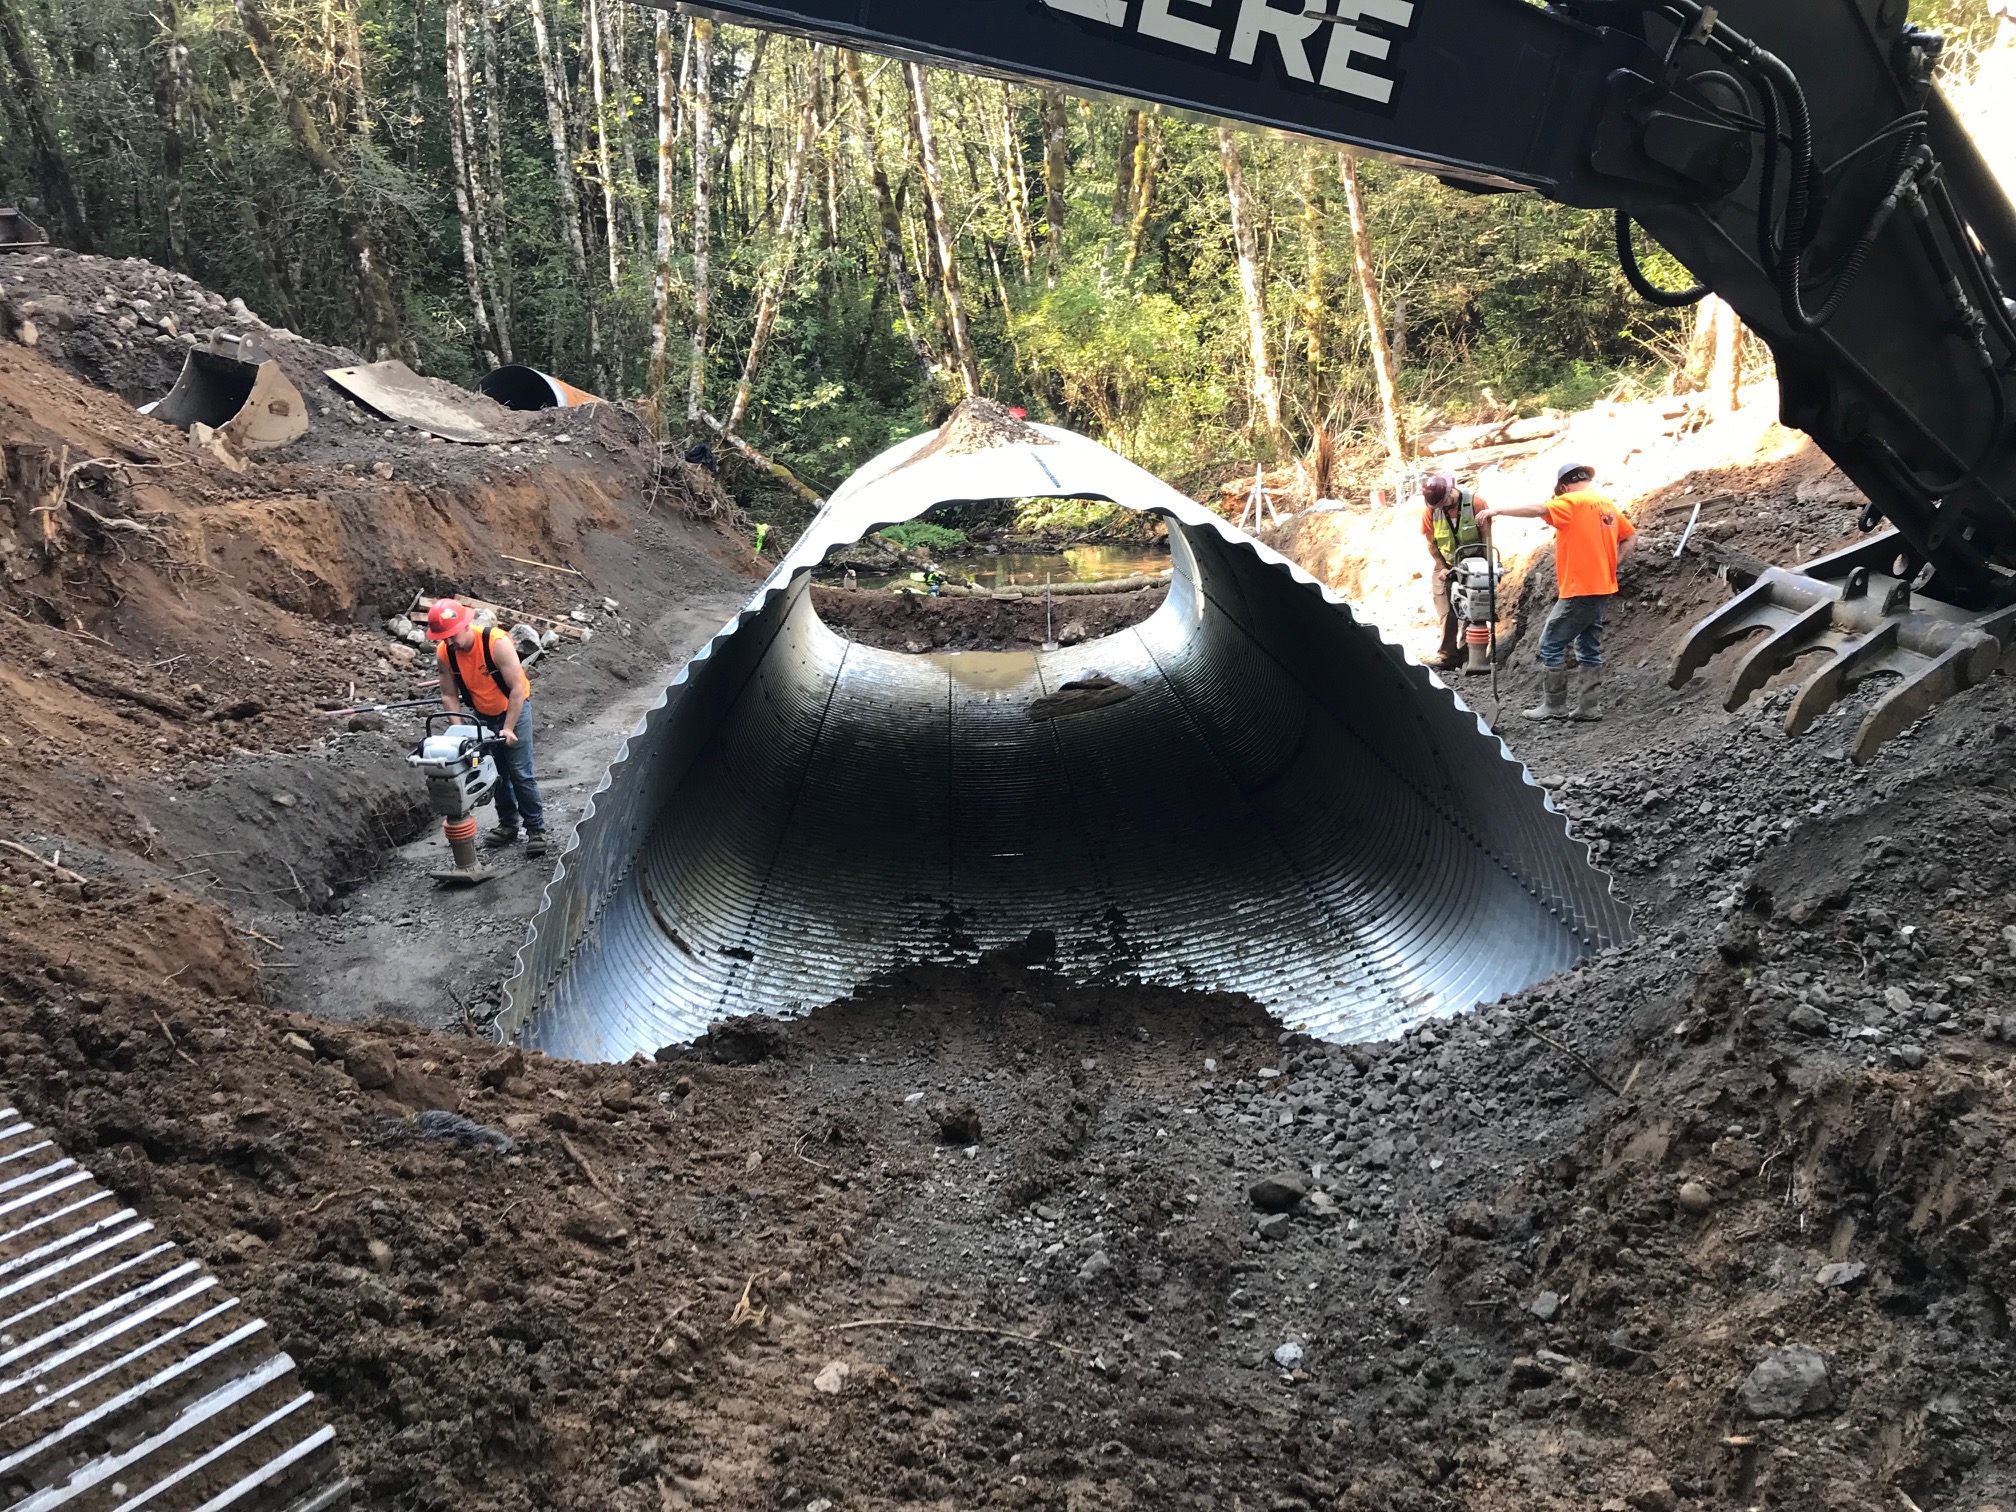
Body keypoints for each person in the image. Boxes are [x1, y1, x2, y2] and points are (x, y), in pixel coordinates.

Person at [1475, 461, 1634, 722]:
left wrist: (1498, 510)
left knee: (1550, 643)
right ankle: (1588, 707)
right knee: (1588, 646)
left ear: (1562, 486)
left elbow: (1539, 508)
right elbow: (1630, 536)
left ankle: (1555, 706)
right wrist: (1613, 563)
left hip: (1580, 589)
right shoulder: (1607, 505)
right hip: (1602, 586)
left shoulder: (1571, 502)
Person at [426, 598, 548, 856]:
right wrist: (460, 731)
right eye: (443, 637)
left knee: (519, 772)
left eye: (451, 635)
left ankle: (536, 829)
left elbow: (517, 688)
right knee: (491, 771)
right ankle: (507, 825)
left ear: (466, 624)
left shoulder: (496, 643)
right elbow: (449, 695)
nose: (449, 642)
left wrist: (509, 728)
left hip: (513, 708)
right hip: (480, 714)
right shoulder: (445, 652)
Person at [1420, 472, 1488, 671]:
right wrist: (1442, 567)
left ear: (1451, 492)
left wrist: (1487, 568)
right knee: (1446, 610)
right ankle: (1448, 656)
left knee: (1473, 608)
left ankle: (1469, 654)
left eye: (1442, 503)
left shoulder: (1476, 503)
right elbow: (1431, 543)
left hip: (1474, 563)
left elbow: (1487, 537)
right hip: (1446, 563)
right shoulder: (1430, 511)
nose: (1440, 508)